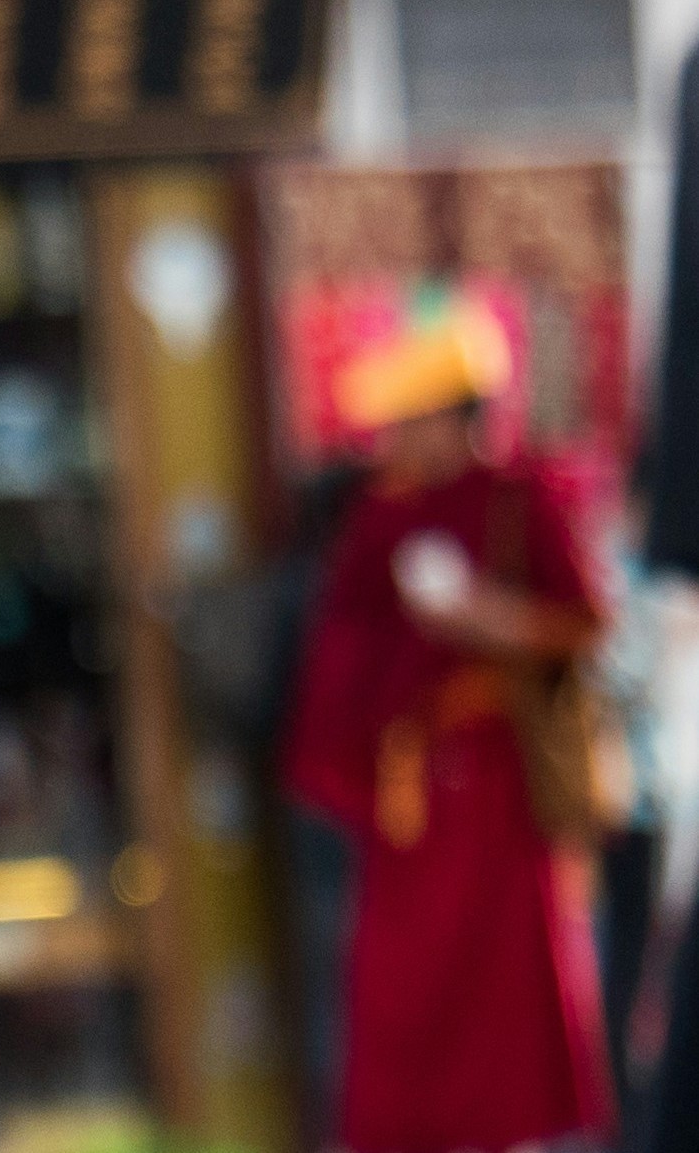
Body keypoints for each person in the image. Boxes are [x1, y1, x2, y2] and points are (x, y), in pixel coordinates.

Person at [283, 301, 617, 1153]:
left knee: (508, 997)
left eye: (412, 418)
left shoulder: (522, 498)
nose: (395, 438)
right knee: (406, 1000)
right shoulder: (378, 521)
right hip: (411, 804)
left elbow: (584, 622)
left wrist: (488, 621)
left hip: (502, 792)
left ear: (456, 415)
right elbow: (338, 663)